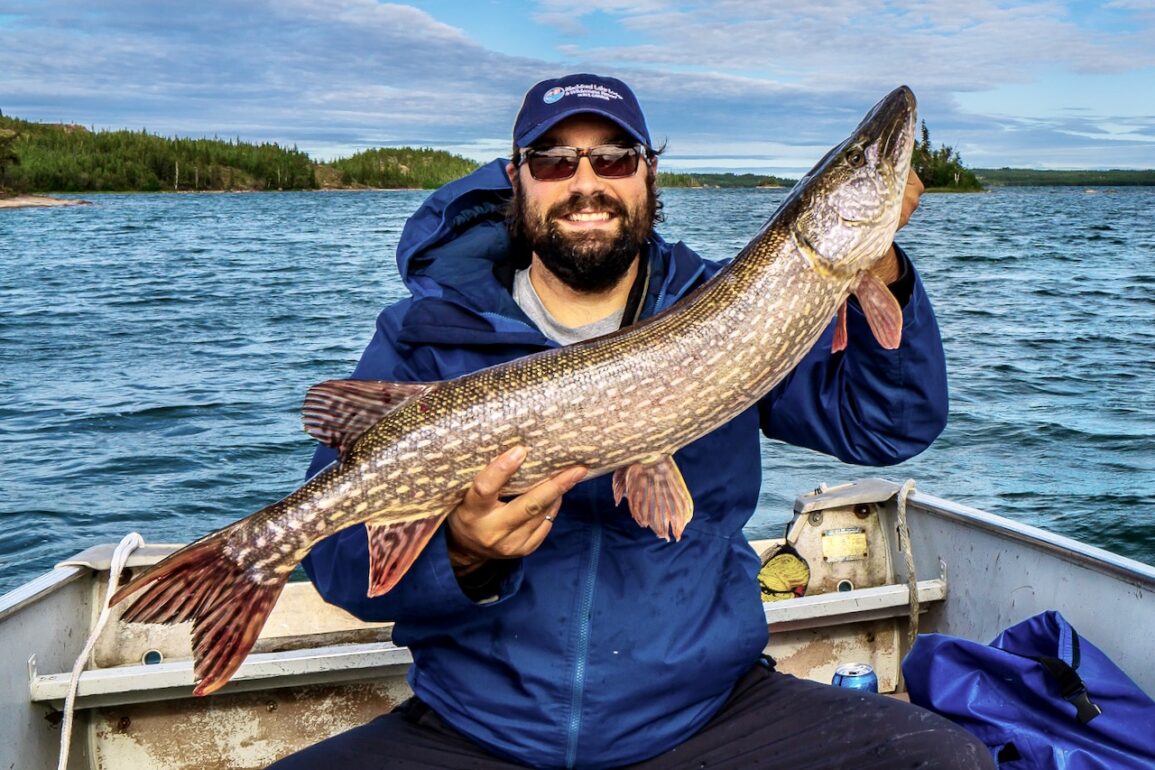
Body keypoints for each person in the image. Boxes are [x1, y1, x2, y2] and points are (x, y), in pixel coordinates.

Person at [270, 74, 990, 769]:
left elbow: (882, 428)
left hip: (705, 715)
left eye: (613, 157)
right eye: (554, 160)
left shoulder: (726, 304)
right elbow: (338, 564)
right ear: (514, 180)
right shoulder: (425, 336)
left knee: (944, 759)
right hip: (478, 725)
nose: (586, 181)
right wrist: (461, 553)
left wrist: (882, 266)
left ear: (647, 176)